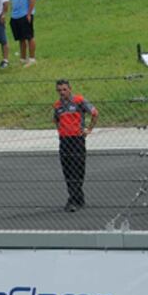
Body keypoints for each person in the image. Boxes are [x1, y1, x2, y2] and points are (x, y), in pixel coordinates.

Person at [52, 79, 96, 212]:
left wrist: (88, 129)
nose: (62, 92)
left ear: (70, 89)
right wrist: (61, 130)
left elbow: (94, 113)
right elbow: (56, 120)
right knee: (67, 171)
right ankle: (75, 198)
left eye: (64, 89)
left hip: (77, 140)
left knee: (78, 169)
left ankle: (74, 198)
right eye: (59, 90)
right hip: (64, 141)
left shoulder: (79, 101)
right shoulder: (57, 105)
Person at [8, 0, 39, 66]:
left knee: (29, 36)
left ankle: (32, 58)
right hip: (15, 15)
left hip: (24, 15)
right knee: (21, 38)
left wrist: (29, 14)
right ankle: (22, 58)